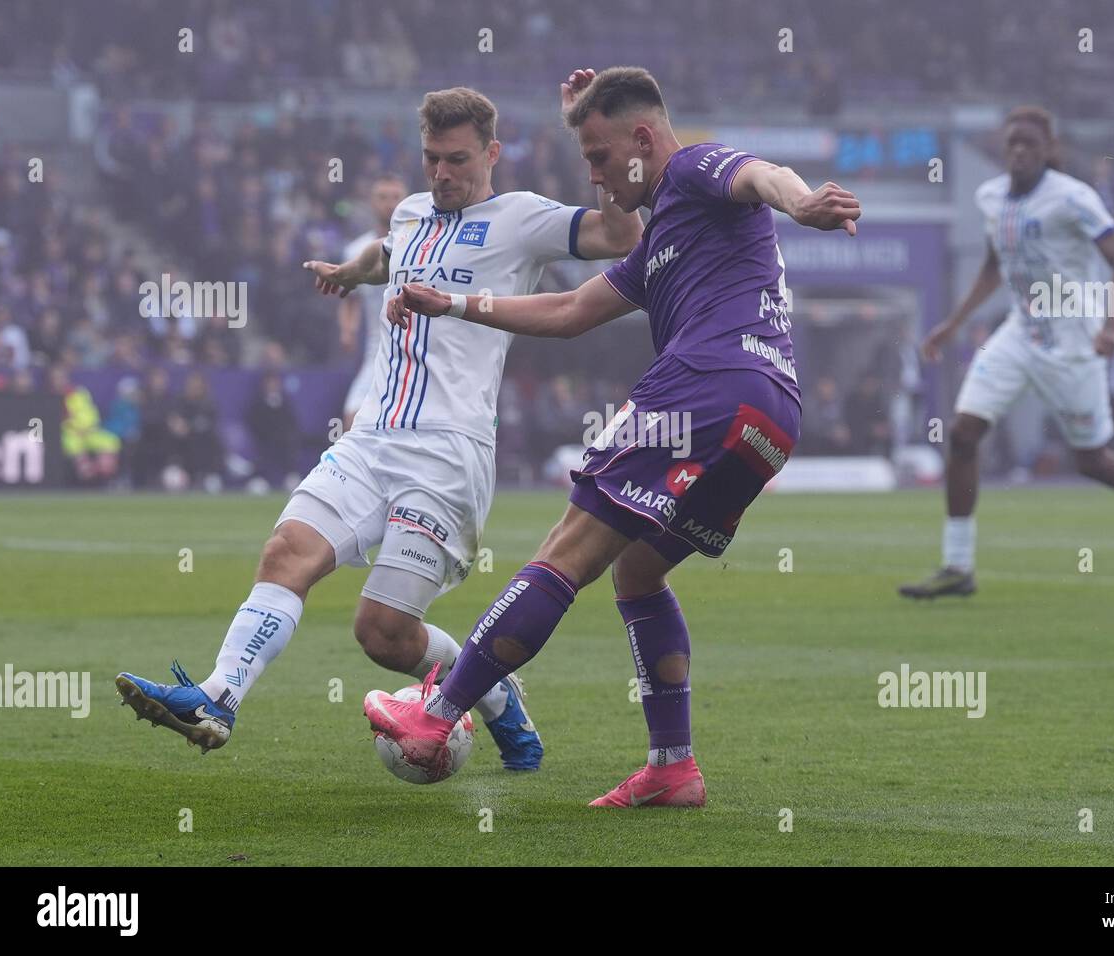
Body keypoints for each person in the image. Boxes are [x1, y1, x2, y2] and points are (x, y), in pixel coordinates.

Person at [365, 66, 860, 806]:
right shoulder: (663, 243)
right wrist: (456, 303)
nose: (593, 176)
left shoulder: (694, 168)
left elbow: (765, 175)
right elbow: (567, 311)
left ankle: (435, 716)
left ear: (642, 139)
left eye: (599, 158)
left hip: (703, 385)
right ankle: (673, 768)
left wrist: (805, 204)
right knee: (637, 573)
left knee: (567, 550)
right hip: (769, 415)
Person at [115, 81, 643, 772]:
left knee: (384, 632)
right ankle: (218, 697)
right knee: (285, 554)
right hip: (371, 441)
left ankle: (498, 699)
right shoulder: (413, 213)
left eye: (457, 159)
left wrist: (598, 151)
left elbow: (617, 234)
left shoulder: (523, 219)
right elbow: (386, 254)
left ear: (492, 152)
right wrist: (350, 272)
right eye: (432, 159)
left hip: (447, 456)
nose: (442, 174)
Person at [899, 107, 1114, 600]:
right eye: (1011, 143)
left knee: (1093, 461)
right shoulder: (991, 196)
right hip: (1020, 331)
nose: (1018, 152)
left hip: (1073, 337)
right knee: (964, 432)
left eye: (1028, 145)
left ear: (1048, 151)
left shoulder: (1073, 198)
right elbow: (995, 266)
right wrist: (953, 324)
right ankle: (958, 564)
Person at [339, 174, 406, 429]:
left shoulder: (419, 246)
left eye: (395, 197)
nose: (389, 204)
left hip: (415, 350)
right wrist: (347, 329)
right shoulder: (355, 250)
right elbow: (349, 297)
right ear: (371, 202)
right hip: (376, 351)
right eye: (382, 197)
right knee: (351, 419)